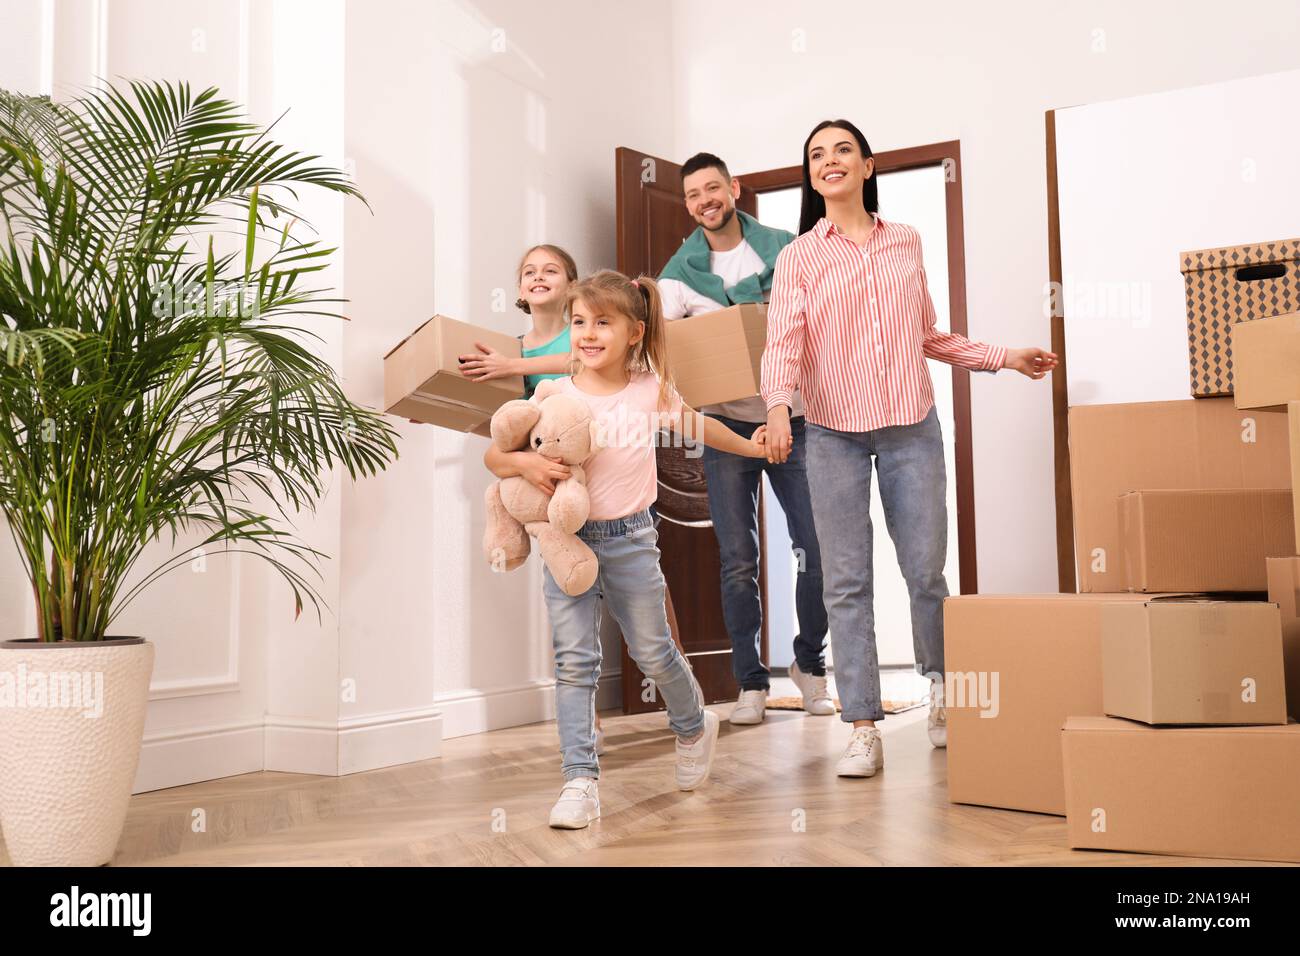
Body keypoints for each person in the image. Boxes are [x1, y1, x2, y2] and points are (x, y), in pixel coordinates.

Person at [761, 119, 1058, 778]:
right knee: (846, 582)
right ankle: (862, 725)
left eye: (843, 150)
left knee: (926, 572)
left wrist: (1005, 357)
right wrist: (778, 408)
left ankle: (943, 691)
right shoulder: (800, 257)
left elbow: (927, 334)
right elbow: (782, 343)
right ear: (811, 174)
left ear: (867, 167)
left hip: (910, 426)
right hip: (832, 431)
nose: (830, 161)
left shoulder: (906, 242)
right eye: (817, 155)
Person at [485, 269, 785, 829]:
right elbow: (497, 457)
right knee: (574, 662)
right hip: (564, 542)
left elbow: (699, 426)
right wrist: (524, 462)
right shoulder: (554, 395)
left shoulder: (649, 390)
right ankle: (579, 779)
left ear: (635, 333)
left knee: (653, 651)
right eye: (579, 323)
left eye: (603, 322)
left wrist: (749, 443)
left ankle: (693, 723)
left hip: (630, 540)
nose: (588, 333)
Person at [658, 153, 832, 726]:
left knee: (816, 548)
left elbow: (820, 315)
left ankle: (809, 663)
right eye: (693, 194)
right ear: (687, 204)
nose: (705, 200)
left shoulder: (786, 247)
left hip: (797, 416)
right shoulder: (680, 273)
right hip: (727, 425)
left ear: (733, 189)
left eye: (714, 188)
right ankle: (750, 683)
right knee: (737, 559)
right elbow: (656, 327)